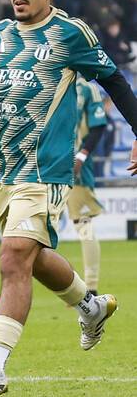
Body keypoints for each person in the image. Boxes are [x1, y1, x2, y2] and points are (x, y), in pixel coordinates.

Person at [0, 0, 137, 397]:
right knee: (34, 257)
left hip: (47, 168)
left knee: (13, 258)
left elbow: (114, 79)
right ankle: (90, 307)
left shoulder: (70, 33)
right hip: (7, 171)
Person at [67, 82, 111, 291]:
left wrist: (82, 156)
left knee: (84, 224)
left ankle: (91, 288)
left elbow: (98, 124)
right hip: (46, 164)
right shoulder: (50, 75)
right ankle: (18, 282)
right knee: (32, 226)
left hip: (75, 166)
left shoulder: (87, 88)